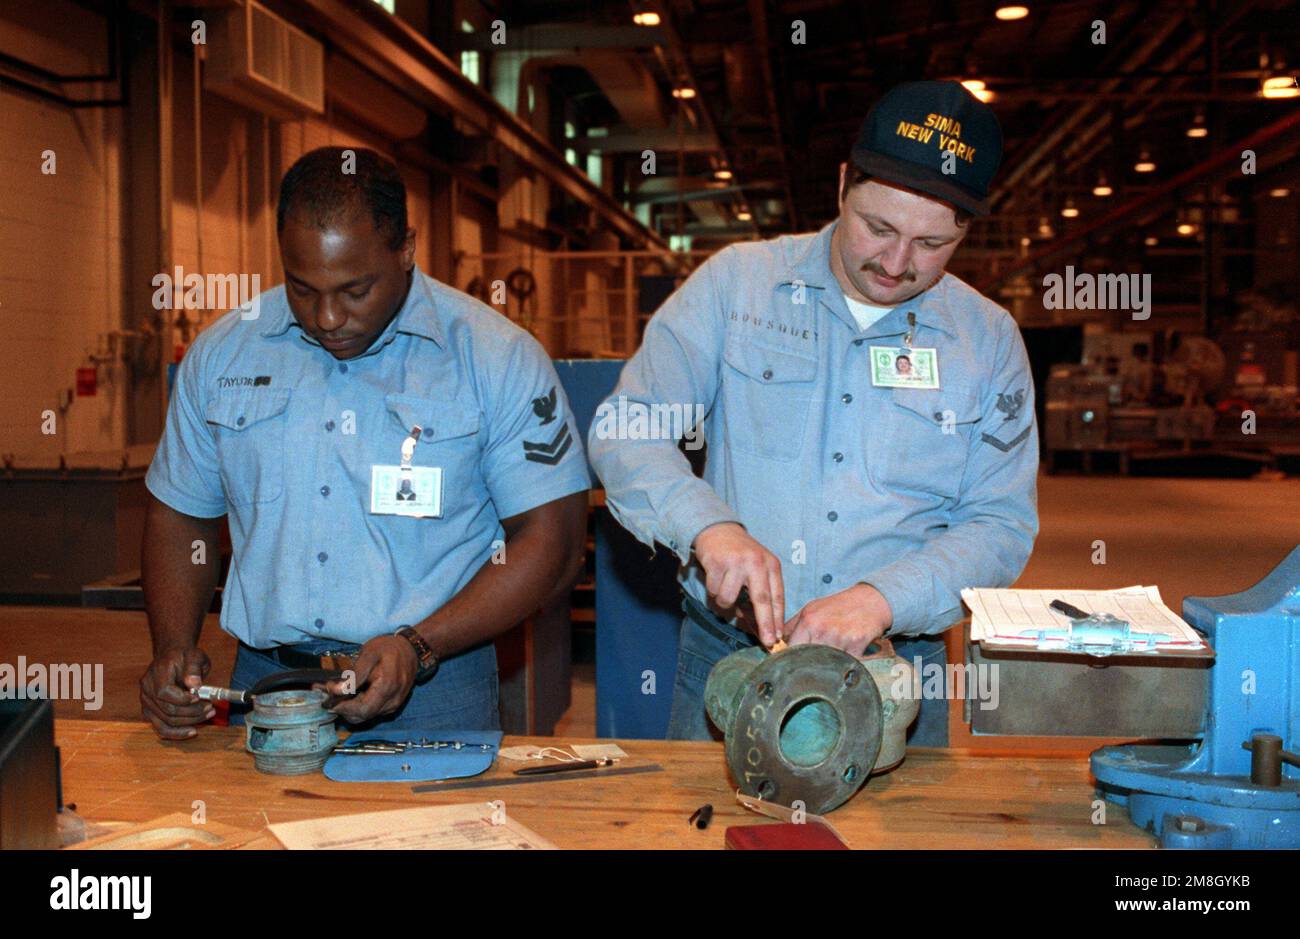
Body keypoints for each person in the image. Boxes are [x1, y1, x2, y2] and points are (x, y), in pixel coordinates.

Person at [588, 81, 1039, 743]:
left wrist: (883, 598)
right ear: (841, 187)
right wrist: (706, 525)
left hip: (893, 672)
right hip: (732, 658)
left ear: (965, 229)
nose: (895, 263)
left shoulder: (988, 339)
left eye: (931, 244)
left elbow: (1000, 523)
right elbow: (628, 425)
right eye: (878, 228)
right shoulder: (738, 284)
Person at [140, 147, 590, 739]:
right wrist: (174, 647)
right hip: (268, 691)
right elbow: (180, 516)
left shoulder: (493, 358)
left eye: (355, 290)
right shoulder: (224, 356)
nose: (326, 317)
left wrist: (420, 645)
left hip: (434, 693)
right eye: (302, 288)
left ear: (406, 249)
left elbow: (551, 541)